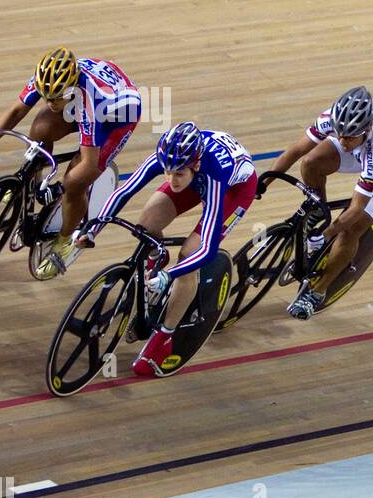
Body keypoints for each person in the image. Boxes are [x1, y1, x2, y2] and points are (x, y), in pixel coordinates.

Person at [81, 122, 257, 376]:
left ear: (195, 165)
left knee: (189, 253)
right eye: (167, 172)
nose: (170, 179)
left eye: (178, 174)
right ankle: (157, 255)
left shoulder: (215, 173)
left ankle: (165, 336)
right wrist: (92, 228)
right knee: (146, 224)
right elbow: (125, 190)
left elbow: (206, 249)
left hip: (234, 190)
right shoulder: (169, 157)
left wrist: (170, 275)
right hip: (196, 178)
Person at [0, 46, 141, 279]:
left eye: (55, 97)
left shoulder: (91, 103)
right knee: (40, 129)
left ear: (71, 87)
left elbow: (89, 163)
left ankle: (64, 242)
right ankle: (31, 184)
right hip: (86, 95)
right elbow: (16, 110)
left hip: (116, 118)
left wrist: (59, 188)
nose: (50, 102)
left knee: (76, 182)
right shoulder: (48, 79)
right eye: (46, 96)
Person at [284, 87, 373, 320]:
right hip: (365, 145)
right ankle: (319, 211)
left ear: (366, 129)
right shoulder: (335, 120)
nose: (342, 141)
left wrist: (326, 235)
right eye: (339, 133)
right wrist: (264, 181)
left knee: (351, 229)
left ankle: (317, 292)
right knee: (310, 162)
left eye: (349, 136)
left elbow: (357, 208)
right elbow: (298, 150)